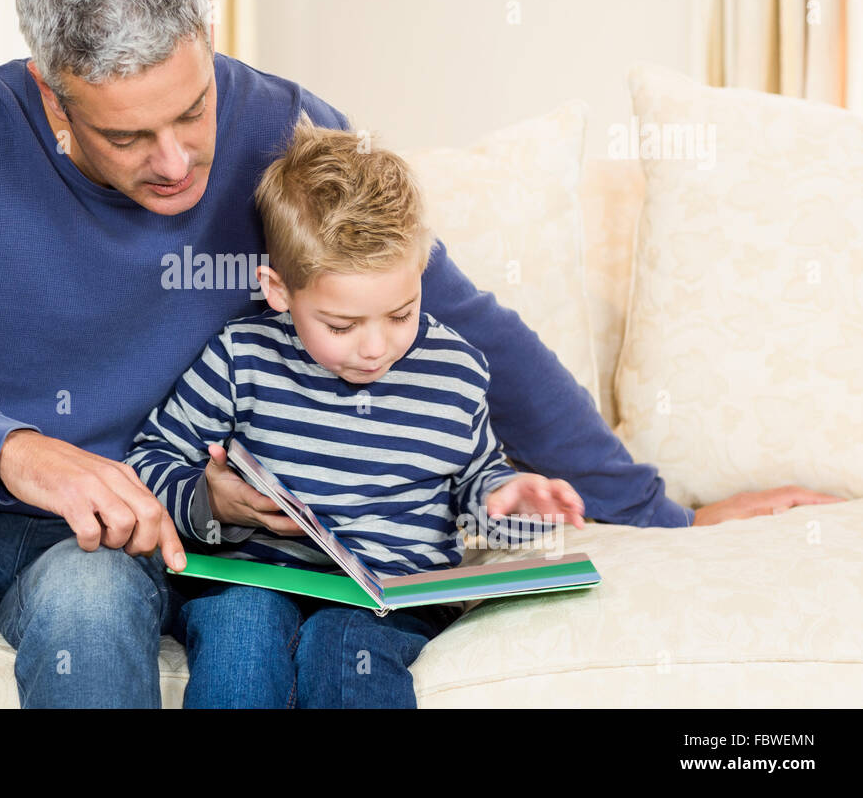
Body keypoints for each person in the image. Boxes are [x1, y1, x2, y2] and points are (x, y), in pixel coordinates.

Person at [0, 0, 840, 709]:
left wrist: (657, 515)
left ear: (209, 41)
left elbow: (456, 329)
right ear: (51, 98)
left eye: (191, 108)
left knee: (90, 603)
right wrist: (11, 451)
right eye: (126, 135)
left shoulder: (281, 127)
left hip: (139, 533)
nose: (177, 160)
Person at [125, 118, 588, 707]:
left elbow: (477, 484)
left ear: (421, 272)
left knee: (344, 642)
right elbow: (148, 460)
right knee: (242, 626)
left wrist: (512, 499)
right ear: (278, 291)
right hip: (258, 579)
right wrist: (208, 501)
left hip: (388, 597)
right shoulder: (243, 356)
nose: (375, 348)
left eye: (401, 314)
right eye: (341, 325)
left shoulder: (456, 370)